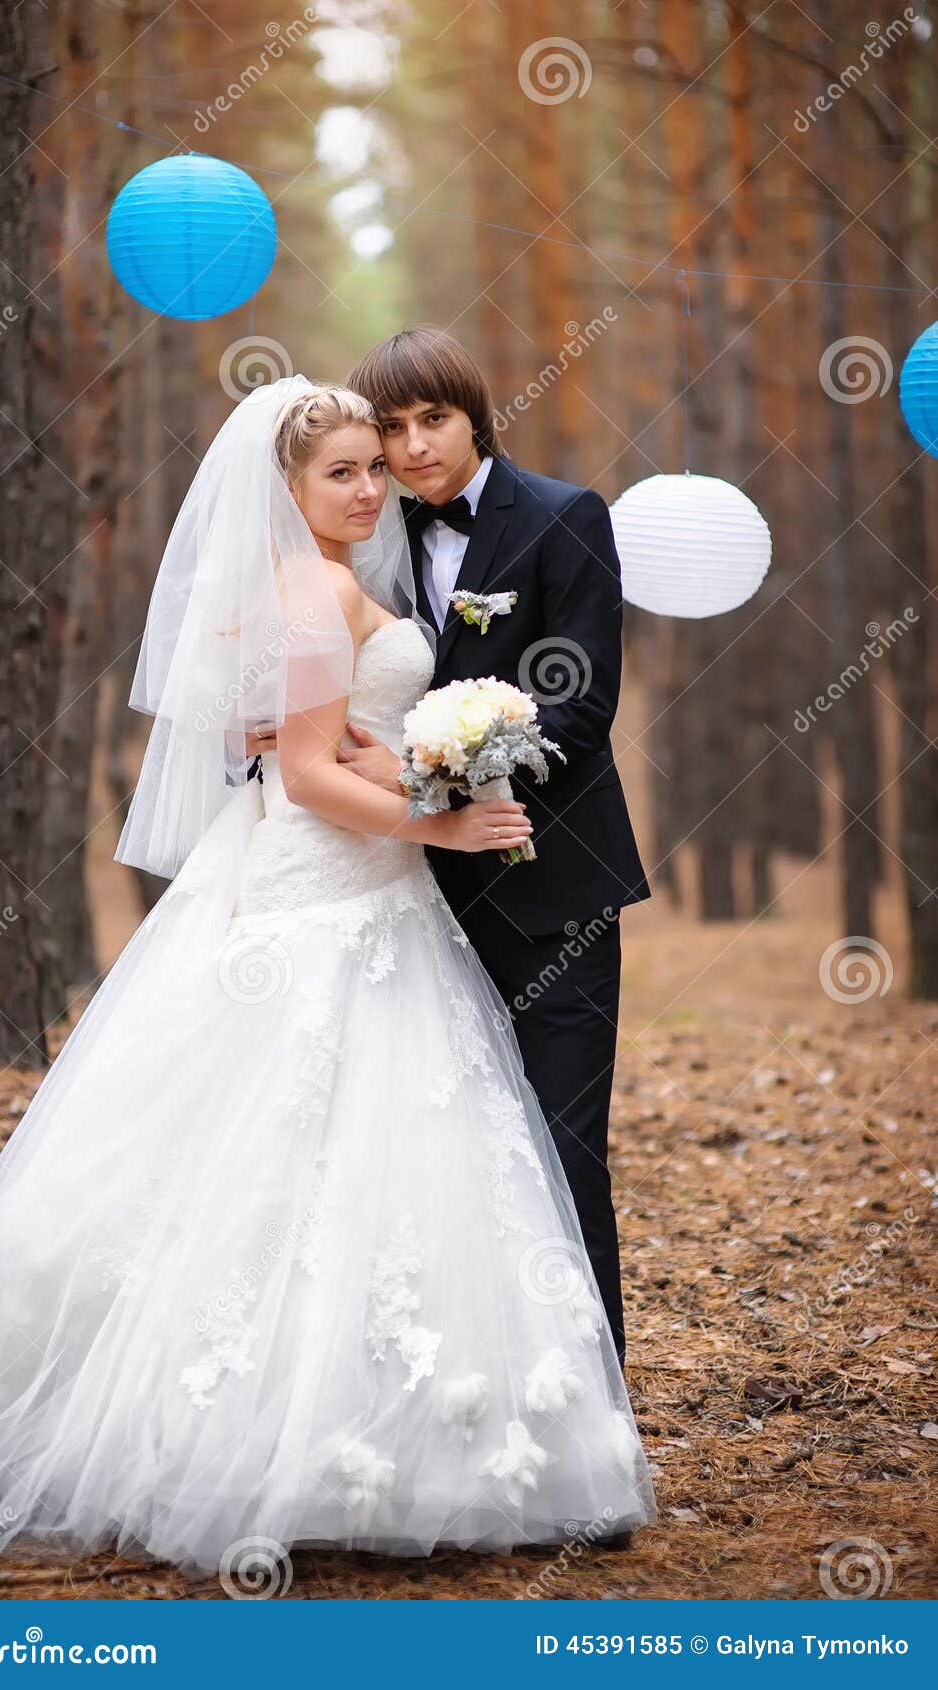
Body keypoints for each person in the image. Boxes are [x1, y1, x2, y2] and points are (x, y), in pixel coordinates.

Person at [0, 379, 655, 1578]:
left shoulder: (356, 582)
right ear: (285, 489)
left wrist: (385, 760)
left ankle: (425, 1424)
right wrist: (434, 821)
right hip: (331, 889)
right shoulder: (307, 591)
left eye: (372, 466)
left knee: (402, 1159)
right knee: (290, 1146)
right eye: (341, 469)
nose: (367, 484)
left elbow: (344, 731)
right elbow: (300, 775)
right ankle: (261, 1436)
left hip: (385, 895)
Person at [333, 329, 651, 1370]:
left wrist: (433, 775)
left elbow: (581, 709)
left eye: (435, 419)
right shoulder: (371, 541)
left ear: (475, 415)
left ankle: (591, 1400)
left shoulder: (566, 519)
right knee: (437, 1156)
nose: (416, 447)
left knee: (562, 1151)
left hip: (546, 885)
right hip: (406, 893)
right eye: (392, 429)